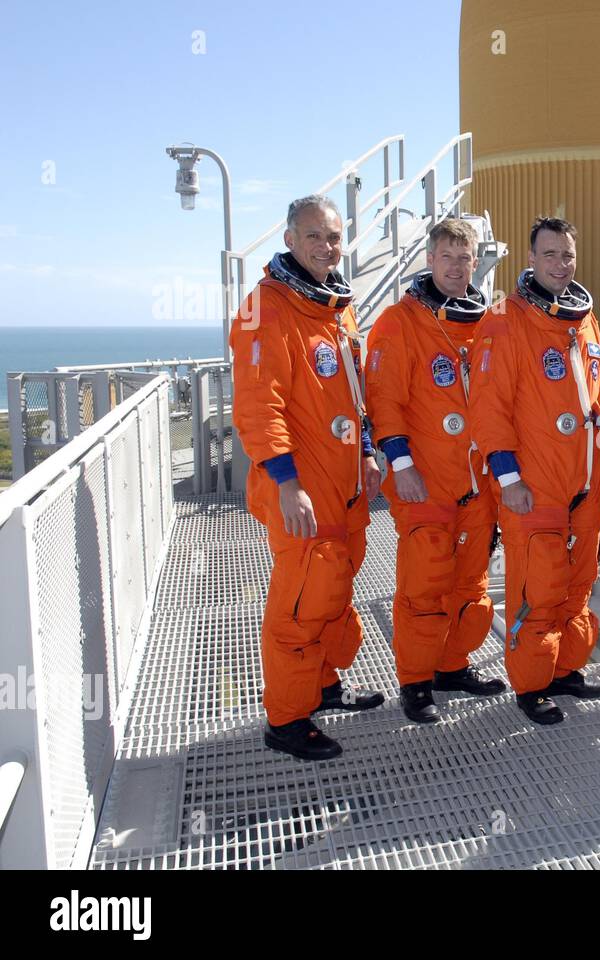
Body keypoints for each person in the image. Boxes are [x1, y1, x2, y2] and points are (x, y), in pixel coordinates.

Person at [230, 195, 384, 761]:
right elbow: (256, 405)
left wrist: (367, 452)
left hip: (341, 484)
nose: (327, 247)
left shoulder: (335, 306)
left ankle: (321, 688)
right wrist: (287, 481)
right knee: (299, 604)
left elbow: (355, 392)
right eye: (314, 237)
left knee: (331, 591)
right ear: (290, 240)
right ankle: (287, 723)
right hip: (300, 486)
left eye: (335, 238)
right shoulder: (264, 307)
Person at [468, 217, 600, 725]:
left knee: (578, 583)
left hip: (585, 482)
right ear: (531, 260)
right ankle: (531, 686)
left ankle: (565, 670)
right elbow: (489, 410)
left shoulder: (585, 320)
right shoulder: (505, 321)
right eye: (549, 254)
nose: (559, 264)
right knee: (538, 589)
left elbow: (596, 400)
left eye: (567, 255)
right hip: (535, 483)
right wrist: (508, 480)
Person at [365, 218, 506, 725]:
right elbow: (384, 402)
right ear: (429, 260)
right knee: (424, 585)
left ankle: (452, 665)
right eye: (446, 257)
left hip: (478, 483)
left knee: (470, 585)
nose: (455, 266)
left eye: (464, 258)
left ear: (475, 263)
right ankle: (416, 682)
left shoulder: (489, 324)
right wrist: (399, 465)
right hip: (424, 481)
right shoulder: (399, 323)